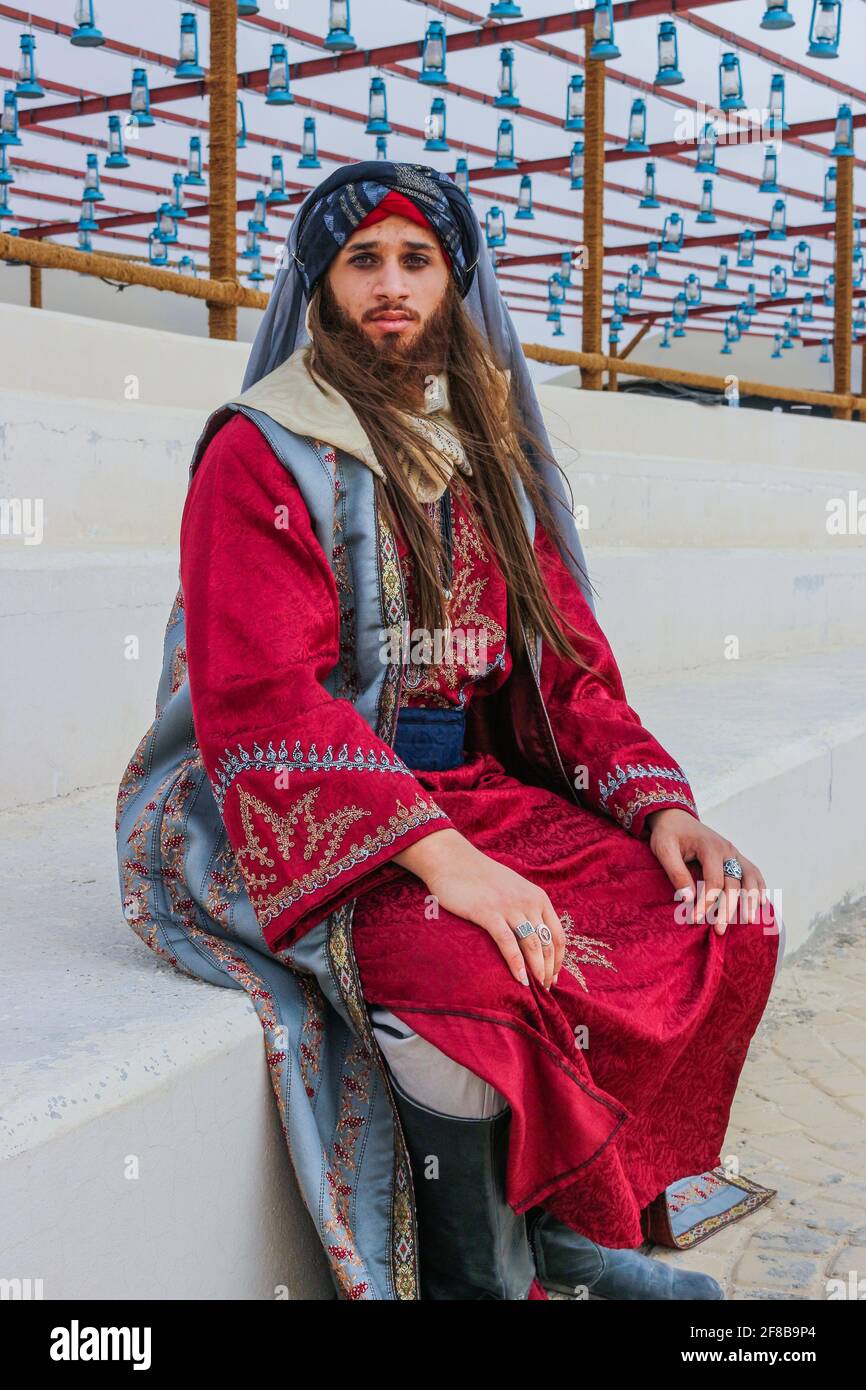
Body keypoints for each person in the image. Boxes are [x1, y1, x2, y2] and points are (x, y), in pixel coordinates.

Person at [116, 162, 784, 1302]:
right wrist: (443, 861)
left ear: (454, 282)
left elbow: (567, 670)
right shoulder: (261, 452)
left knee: (715, 914)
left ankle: (572, 1230)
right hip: (301, 806)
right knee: (470, 965)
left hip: (474, 790)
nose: (391, 285)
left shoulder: (488, 457)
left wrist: (660, 807)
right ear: (320, 286)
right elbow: (266, 700)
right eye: (361, 261)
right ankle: (489, 1280)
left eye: (416, 261)